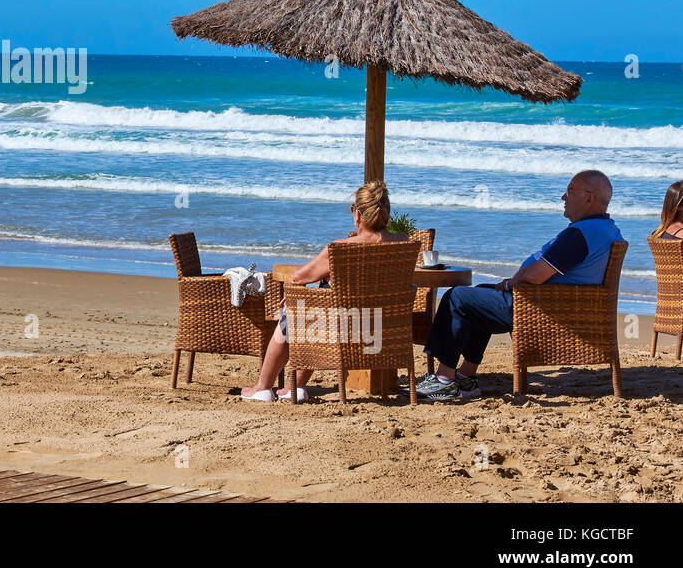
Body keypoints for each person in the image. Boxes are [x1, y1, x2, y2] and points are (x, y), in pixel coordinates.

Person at [416, 170, 625, 403]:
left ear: (589, 198)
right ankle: (465, 376)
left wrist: (511, 282)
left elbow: (536, 275)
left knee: (457, 298)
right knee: (480, 293)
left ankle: (443, 380)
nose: (563, 197)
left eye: (569, 191)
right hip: (554, 303)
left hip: (538, 308)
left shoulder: (581, 234)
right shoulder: (607, 229)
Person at [240, 180, 410, 402]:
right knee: (309, 311)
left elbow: (298, 277)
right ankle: (296, 387)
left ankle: (263, 387)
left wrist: (293, 295)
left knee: (292, 315)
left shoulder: (341, 248)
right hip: (383, 327)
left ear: (357, 214)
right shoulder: (402, 243)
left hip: (342, 327)